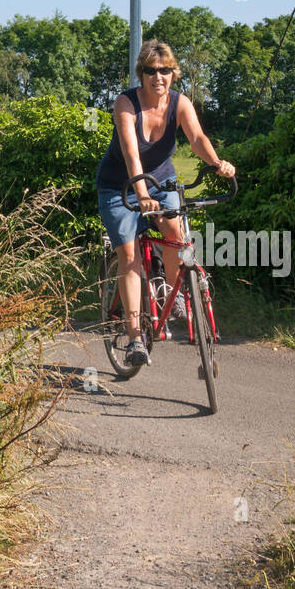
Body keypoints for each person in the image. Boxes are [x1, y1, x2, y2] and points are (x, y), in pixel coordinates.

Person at [95, 40, 236, 368]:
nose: (158, 77)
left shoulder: (180, 103)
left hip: (163, 182)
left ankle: (173, 296)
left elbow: (197, 138)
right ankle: (134, 339)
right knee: (129, 255)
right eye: (150, 71)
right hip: (120, 187)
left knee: (176, 233)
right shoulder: (125, 104)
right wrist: (141, 193)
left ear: (174, 73)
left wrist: (217, 163)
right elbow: (131, 152)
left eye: (165, 70)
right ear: (141, 74)